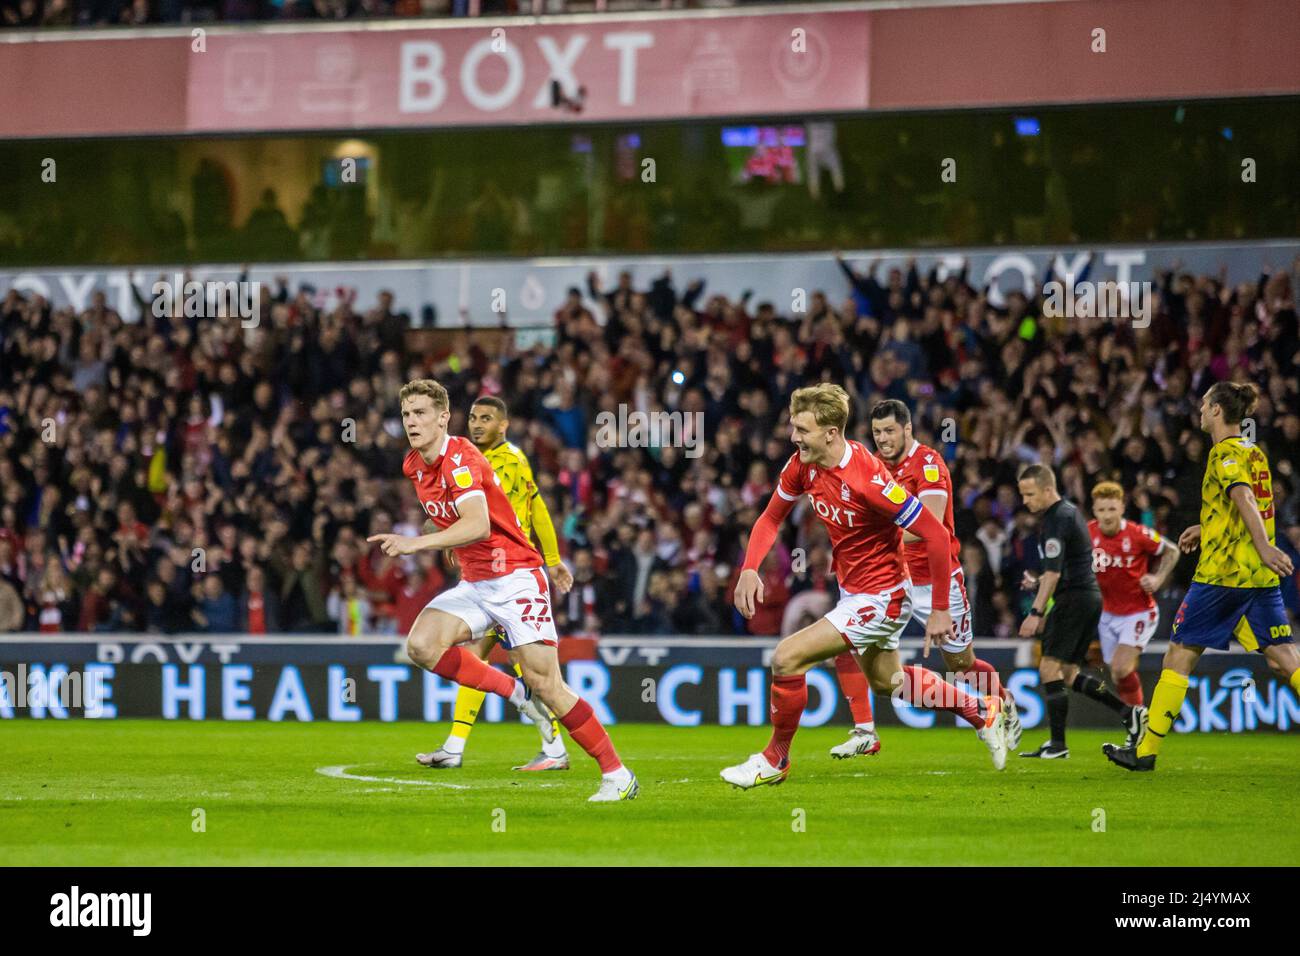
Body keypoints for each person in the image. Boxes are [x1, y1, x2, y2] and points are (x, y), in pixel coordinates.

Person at [721, 384, 1008, 789]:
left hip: (884, 595)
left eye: (802, 429)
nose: (793, 437)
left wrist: (940, 607)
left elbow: (936, 534)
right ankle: (980, 711)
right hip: (856, 590)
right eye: (793, 427)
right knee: (887, 682)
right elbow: (770, 518)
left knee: (787, 658)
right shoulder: (803, 464)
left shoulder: (869, 479)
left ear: (831, 433)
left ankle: (774, 759)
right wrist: (749, 568)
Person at [368, 380, 637, 801]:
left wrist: (415, 543)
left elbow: (477, 524)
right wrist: (432, 533)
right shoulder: (414, 466)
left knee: (548, 683)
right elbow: (449, 520)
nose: (412, 422)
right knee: (421, 644)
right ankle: (514, 692)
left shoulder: (462, 457)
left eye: (421, 413)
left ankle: (617, 773)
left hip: (515, 577)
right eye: (406, 414)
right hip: (476, 582)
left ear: (443, 417)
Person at [1106, 383, 1298, 771]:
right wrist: (1206, 527)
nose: (1199, 408)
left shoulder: (1223, 453)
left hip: (1223, 575)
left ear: (1215, 411)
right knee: (1284, 661)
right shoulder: (1253, 451)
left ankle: (1144, 753)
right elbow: (1242, 508)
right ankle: (1144, 752)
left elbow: (1243, 497)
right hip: (1258, 577)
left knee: (1178, 656)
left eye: (1204, 403)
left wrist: (1262, 546)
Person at [827, 399, 1024, 761]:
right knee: (842, 643)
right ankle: (864, 731)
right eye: (876, 433)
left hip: (936, 579)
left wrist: (870, 540)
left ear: (907, 429)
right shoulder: (872, 467)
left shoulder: (929, 464)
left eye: (889, 431)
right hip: (887, 579)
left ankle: (1003, 703)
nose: (882, 439)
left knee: (961, 665)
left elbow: (929, 525)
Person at [418, 396, 575, 772]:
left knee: (518, 667)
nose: (476, 424)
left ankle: (555, 748)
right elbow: (536, 507)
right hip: (487, 573)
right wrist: (553, 561)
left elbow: (477, 515)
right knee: (486, 661)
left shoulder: (500, 462)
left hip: (509, 577)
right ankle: (462, 746)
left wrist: (436, 532)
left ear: (503, 425)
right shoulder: (487, 459)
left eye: (486, 418)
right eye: (472, 417)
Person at [1017, 465, 1146, 758]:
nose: (1025, 500)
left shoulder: (1056, 518)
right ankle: (1128, 713)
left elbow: (1053, 575)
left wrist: (1035, 612)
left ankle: (1058, 744)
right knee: (1070, 673)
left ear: (1047, 489)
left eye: (1029, 493)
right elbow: (1062, 568)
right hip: (1087, 598)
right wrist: (1038, 581)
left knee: (1048, 668)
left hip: (1073, 600)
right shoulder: (1068, 513)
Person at [1087, 482, 1179, 723]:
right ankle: (1137, 723)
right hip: (1107, 615)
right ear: (1094, 511)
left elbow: (1172, 550)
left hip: (1139, 612)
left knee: (1119, 667)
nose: (1107, 516)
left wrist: (1158, 578)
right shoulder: (1087, 534)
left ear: (1122, 508)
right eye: (1101, 510)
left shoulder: (1138, 534)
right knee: (1118, 674)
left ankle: (1138, 722)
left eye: (1111, 509)